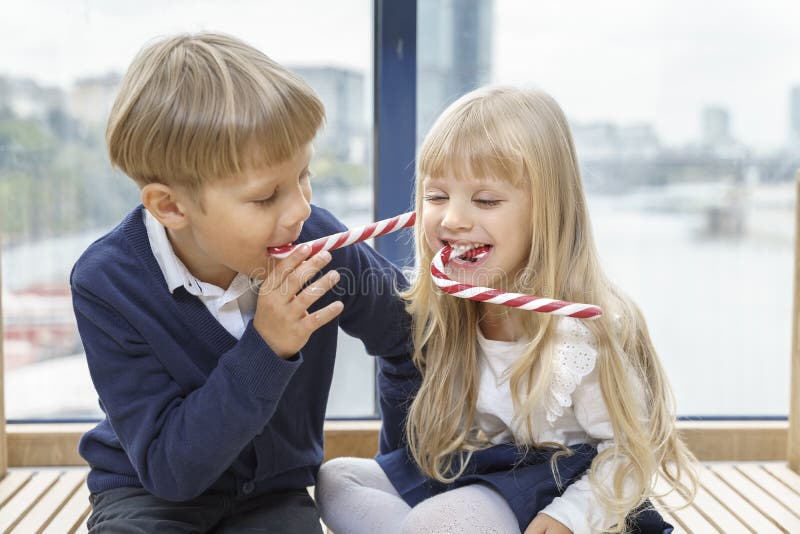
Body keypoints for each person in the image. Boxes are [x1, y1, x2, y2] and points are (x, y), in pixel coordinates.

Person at [71, 32, 418, 533]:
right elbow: (171, 471)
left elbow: (413, 337)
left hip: (273, 494)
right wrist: (267, 346)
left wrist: (401, 464)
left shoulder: (318, 243)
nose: (300, 208)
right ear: (170, 207)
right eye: (265, 197)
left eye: (304, 175)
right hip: (147, 494)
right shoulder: (107, 283)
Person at [315, 86, 698, 534]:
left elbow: (630, 453)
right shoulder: (448, 311)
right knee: (335, 478)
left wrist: (568, 518)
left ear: (547, 212)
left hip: (556, 485)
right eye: (437, 197)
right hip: (473, 473)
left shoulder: (581, 332)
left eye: (486, 201)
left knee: (440, 521)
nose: (453, 219)